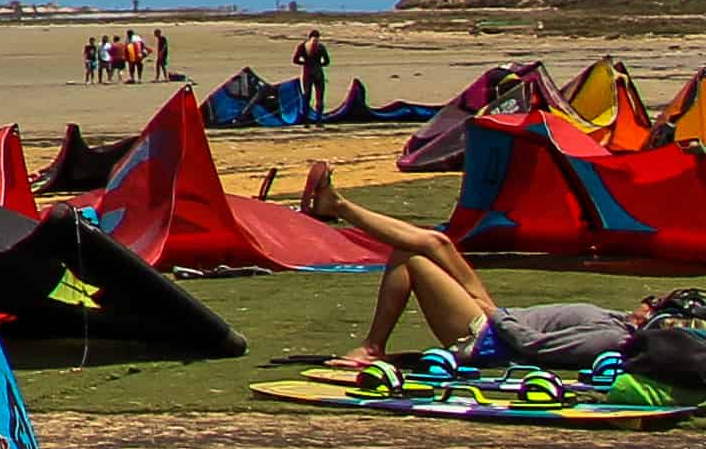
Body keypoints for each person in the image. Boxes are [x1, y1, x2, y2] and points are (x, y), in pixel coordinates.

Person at [295, 167, 706, 378]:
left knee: (413, 258)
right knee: (438, 244)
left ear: (659, 318)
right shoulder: (618, 323)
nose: (648, 299)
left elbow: (536, 349)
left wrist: (491, 314)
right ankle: (337, 207)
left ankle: (371, 348)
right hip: (496, 317)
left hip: (486, 338)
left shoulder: (613, 338)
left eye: (656, 303)